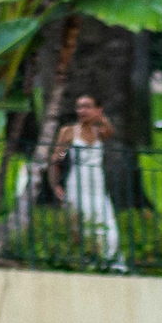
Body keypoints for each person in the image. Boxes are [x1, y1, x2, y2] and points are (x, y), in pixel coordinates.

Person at [51, 94, 123, 267]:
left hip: (97, 182)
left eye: (87, 106)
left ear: (97, 109)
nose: (82, 111)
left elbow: (111, 132)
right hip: (78, 180)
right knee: (81, 221)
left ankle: (110, 260)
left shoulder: (99, 132)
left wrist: (101, 118)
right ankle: (88, 259)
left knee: (106, 221)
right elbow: (57, 159)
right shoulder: (68, 132)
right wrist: (55, 185)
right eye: (79, 107)